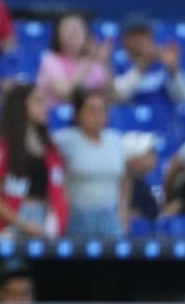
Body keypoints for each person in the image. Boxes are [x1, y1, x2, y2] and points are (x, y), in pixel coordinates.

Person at [0, 83, 68, 238]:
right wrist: (23, 224)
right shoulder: (2, 147)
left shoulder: (50, 148)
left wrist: (54, 220)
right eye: (37, 101)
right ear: (21, 106)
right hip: (11, 224)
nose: (44, 107)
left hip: (44, 220)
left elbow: (57, 188)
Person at [52, 88, 129, 238]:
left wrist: (123, 211)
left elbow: (124, 179)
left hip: (110, 216)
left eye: (101, 110)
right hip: (76, 217)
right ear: (78, 113)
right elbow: (54, 178)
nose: (96, 116)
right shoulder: (64, 141)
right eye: (90, 110)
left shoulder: (115, 140)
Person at [112, 19, 185, 120]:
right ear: (124, 39)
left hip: (165, 123)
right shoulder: (116, 62)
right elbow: (119, 95)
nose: (139, 40)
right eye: (133, 35)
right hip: (129, 125)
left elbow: (183, 97)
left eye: (143, 34)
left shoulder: (163, 62)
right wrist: (142, 66)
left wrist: (173, 69)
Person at [35, 11, 111, 111]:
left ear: (86, 35)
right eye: (68, 30)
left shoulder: (93, 64)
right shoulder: (50, 60)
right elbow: (65, 92)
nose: (73, 34)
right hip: (56, 116)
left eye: (77, 30)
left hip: (88, 116)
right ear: (58, 34)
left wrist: (106, 63)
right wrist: (90, 61)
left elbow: (110, 96)